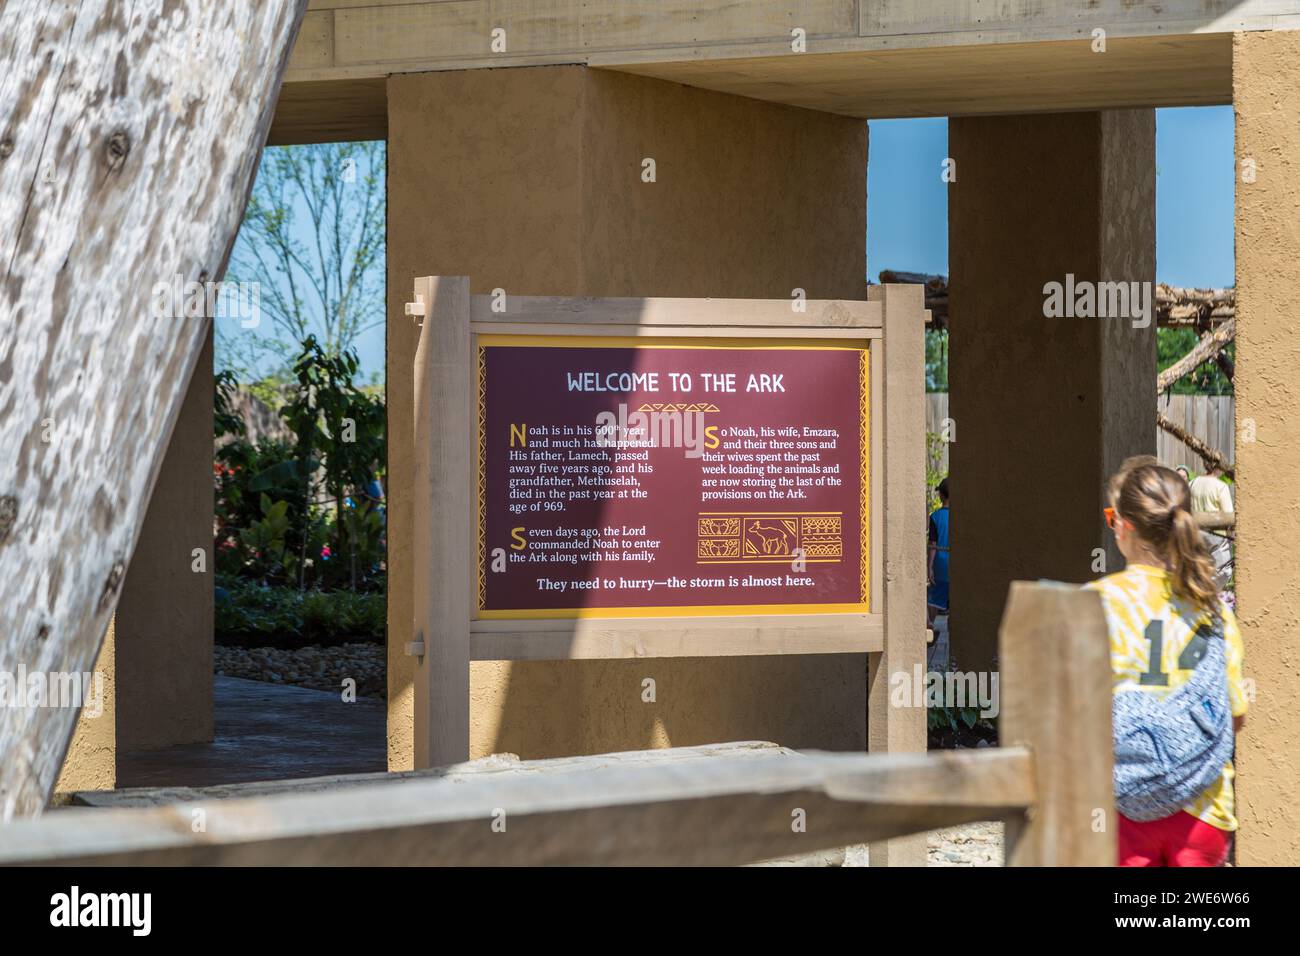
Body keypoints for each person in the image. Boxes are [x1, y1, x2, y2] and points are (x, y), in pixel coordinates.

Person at [1087, 460, 1248, 866]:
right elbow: (1235, 715)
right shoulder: (1214, 612)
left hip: (1118, 805)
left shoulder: (1094, 602)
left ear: (1124, 526)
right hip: (1203, 810)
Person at [1189, 464, 1234, 587]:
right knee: (1222, 573)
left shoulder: (1192, 483)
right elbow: (1227, 514)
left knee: (1200, 572)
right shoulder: (1220, 486)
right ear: (1219, 468)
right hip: (1216, 536)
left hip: (1196, 534)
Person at [927, 477, 950, 626]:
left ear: (941, 495)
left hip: (941, 564)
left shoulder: (935, 517)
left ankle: (929, 625)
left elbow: (933, 544)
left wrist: (929, 567)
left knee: (933, 600)